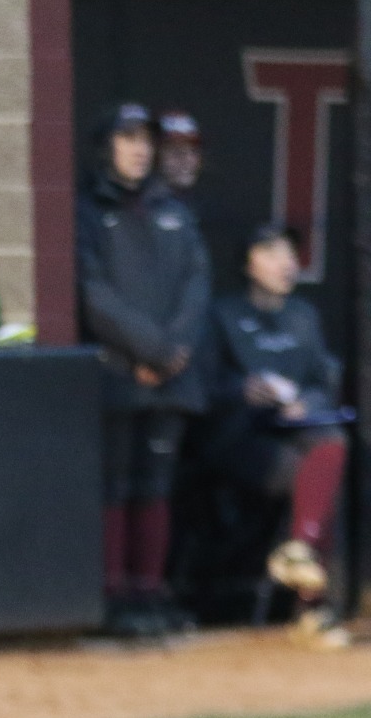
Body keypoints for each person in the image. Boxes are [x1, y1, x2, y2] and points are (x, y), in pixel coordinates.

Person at [77, 102, 211, 638]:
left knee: (156, 485)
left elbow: (197, 284)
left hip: (172, 377)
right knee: (115, 485)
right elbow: (93, 294)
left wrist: (173, 350)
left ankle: (149, 592)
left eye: (145, 140)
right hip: (118, 371)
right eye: (128, 138)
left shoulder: (175, 211)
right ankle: (112, 598)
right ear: (107, 145)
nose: (139, 149)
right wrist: (149, 349)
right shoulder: (88, 211)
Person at [194, 223, 351, 649]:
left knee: (330, 445)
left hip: (293, 429)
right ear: (249, 264)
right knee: (315, 478)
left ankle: (299, 553)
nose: (286, 264)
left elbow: (322, 380)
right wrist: (242, 390)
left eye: (290, 255)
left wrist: (305, 402)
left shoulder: (303, 316)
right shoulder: (222, 314)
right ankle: (312, 609)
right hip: (239, 437)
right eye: (272, 254)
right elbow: (204, 384)